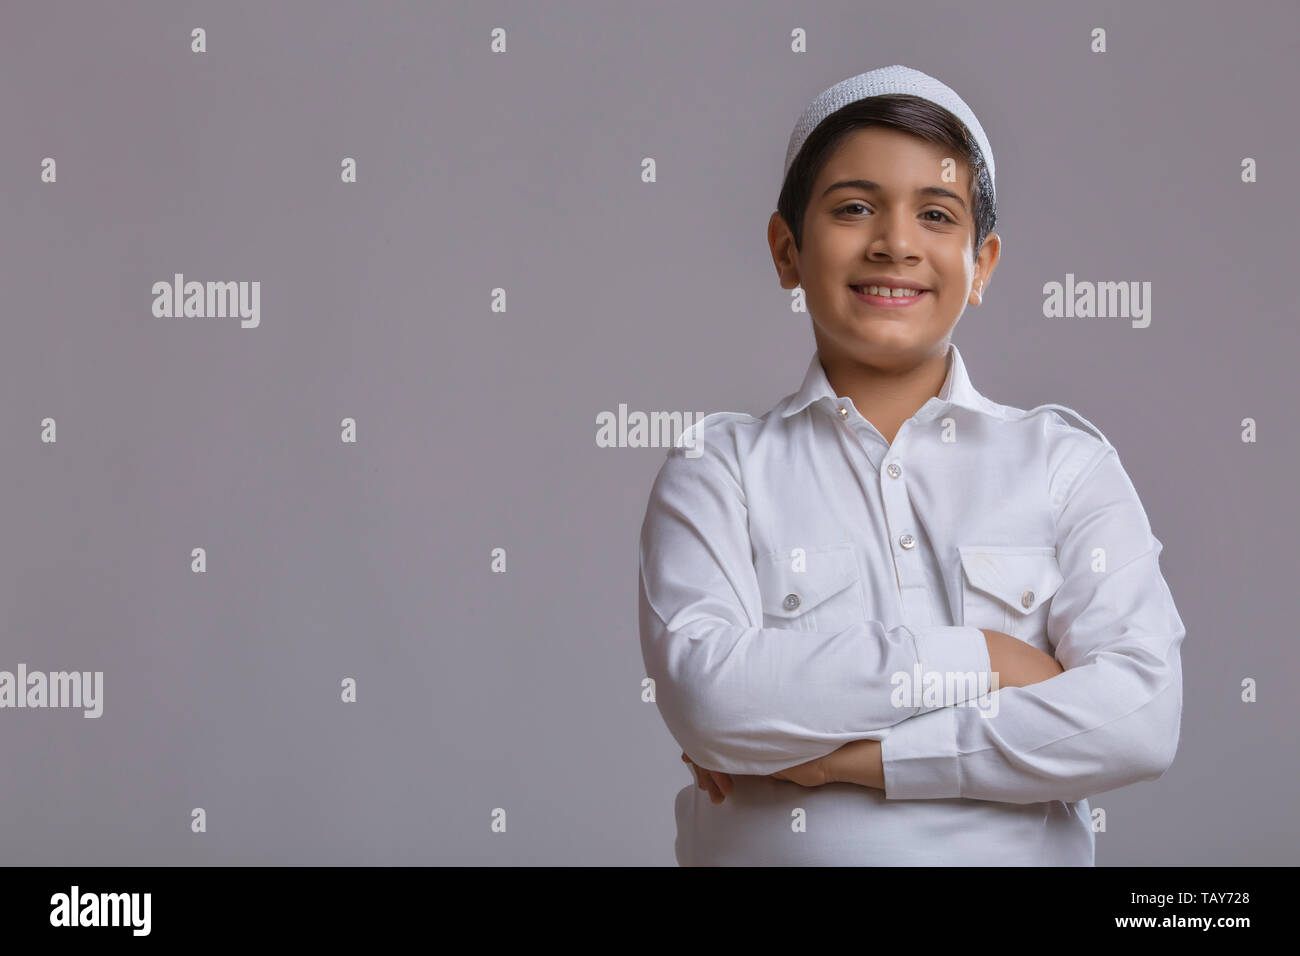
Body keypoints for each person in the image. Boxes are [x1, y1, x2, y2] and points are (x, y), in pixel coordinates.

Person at [636, 65, 1185, 866]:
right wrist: (990, 660)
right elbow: (710, 697)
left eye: (936, 214)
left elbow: (1138, 721)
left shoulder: (1066, 465)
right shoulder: (718, 468)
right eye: (855, 207)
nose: (895, 243)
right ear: (787, 250)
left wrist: (844, 759)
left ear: (983, 263)